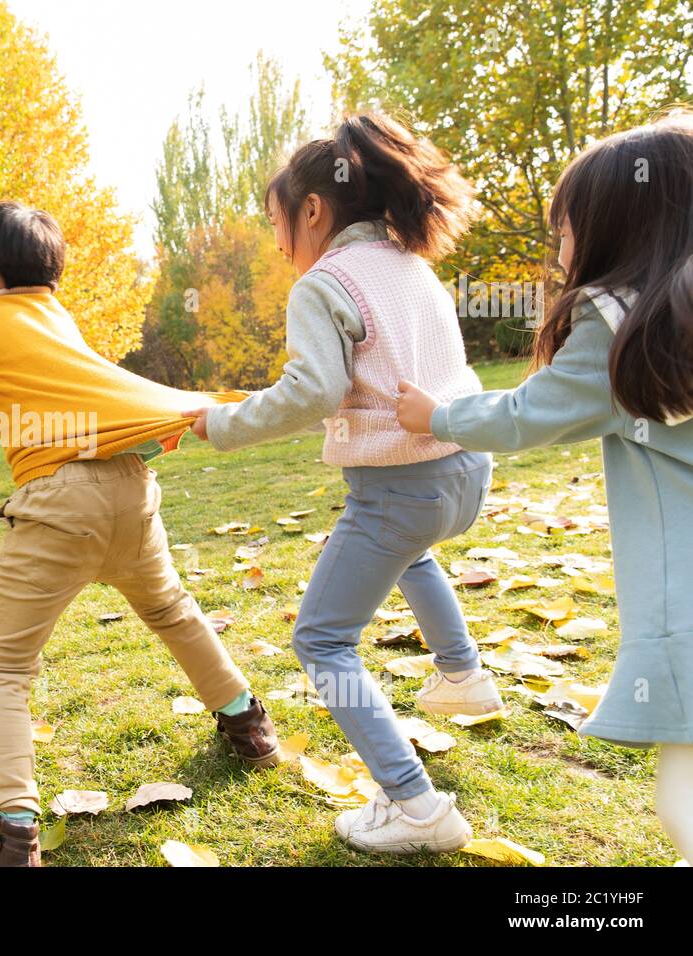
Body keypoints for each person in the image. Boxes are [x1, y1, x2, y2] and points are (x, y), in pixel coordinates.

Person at [0, 201, 279, 867]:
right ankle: (249, 726)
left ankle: (10, 833)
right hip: (130, 491)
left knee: (2, 668)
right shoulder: (58, 318)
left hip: (58, 505)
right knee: (171, 610)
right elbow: (34, 397)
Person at [185, 113, 499, 853]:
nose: (277, 239)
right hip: (467, 473)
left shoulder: (326, 282)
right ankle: (463, 676)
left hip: (400, 491)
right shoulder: (410, 264)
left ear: (314, 210)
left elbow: (311, 390)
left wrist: (222, 424)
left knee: (322, 640)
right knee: (413, 555)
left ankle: (415, 806)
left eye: (276, 221)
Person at [397, 112, 693, 865]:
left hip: (684, 603)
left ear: (619, 230)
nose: (560, 249)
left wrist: (438, 415)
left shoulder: (626, 324)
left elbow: (532, 411)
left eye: (564, 230)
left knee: (681, 799)